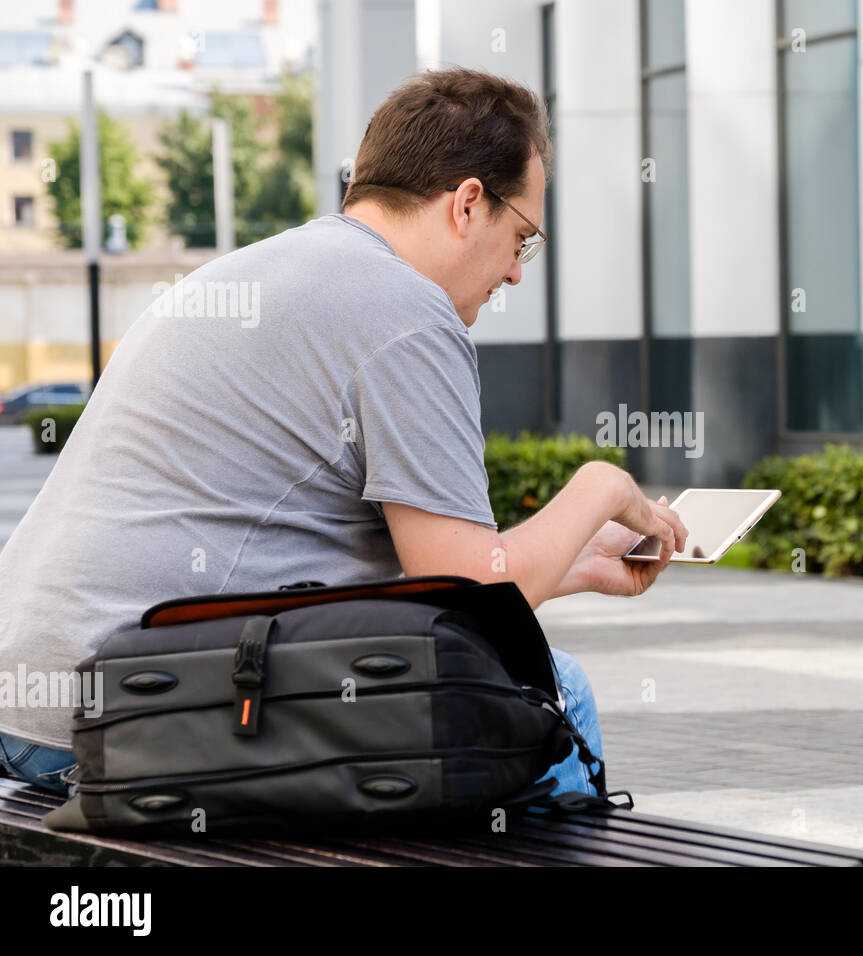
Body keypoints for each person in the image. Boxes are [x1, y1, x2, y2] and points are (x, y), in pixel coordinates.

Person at [0, 66, 688, 805]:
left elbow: (404, 572)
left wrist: (572, 563)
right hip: (132, 715)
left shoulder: (258, 271)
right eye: (521, 237)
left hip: (36, 702)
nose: (516, 274)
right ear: (466, 204)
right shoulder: (406, 313)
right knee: (552, 693)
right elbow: (470, 596)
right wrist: (601, 487)